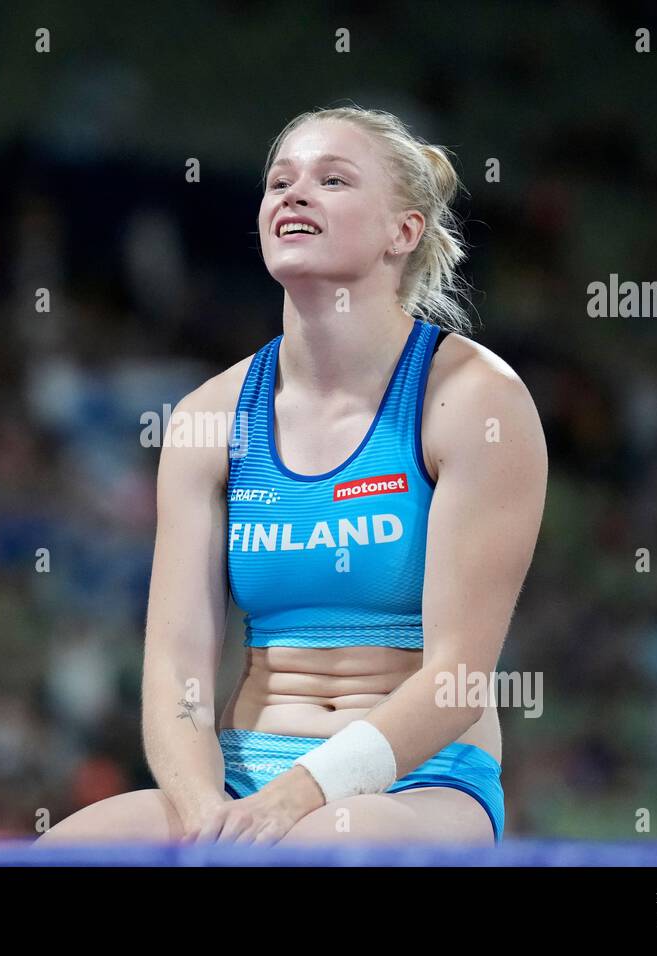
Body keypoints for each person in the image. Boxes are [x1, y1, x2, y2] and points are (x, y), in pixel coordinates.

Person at [36, 105, 547, 846]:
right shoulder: (208, 418)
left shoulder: (473, 400)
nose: (294, 194)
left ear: (403, 232)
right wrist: (204, 810)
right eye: (280, 181)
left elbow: (458, 678)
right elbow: (177, 670)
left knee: (331, 846)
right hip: (246, 775)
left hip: (417, 782)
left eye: (332, 180)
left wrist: (296, 799)